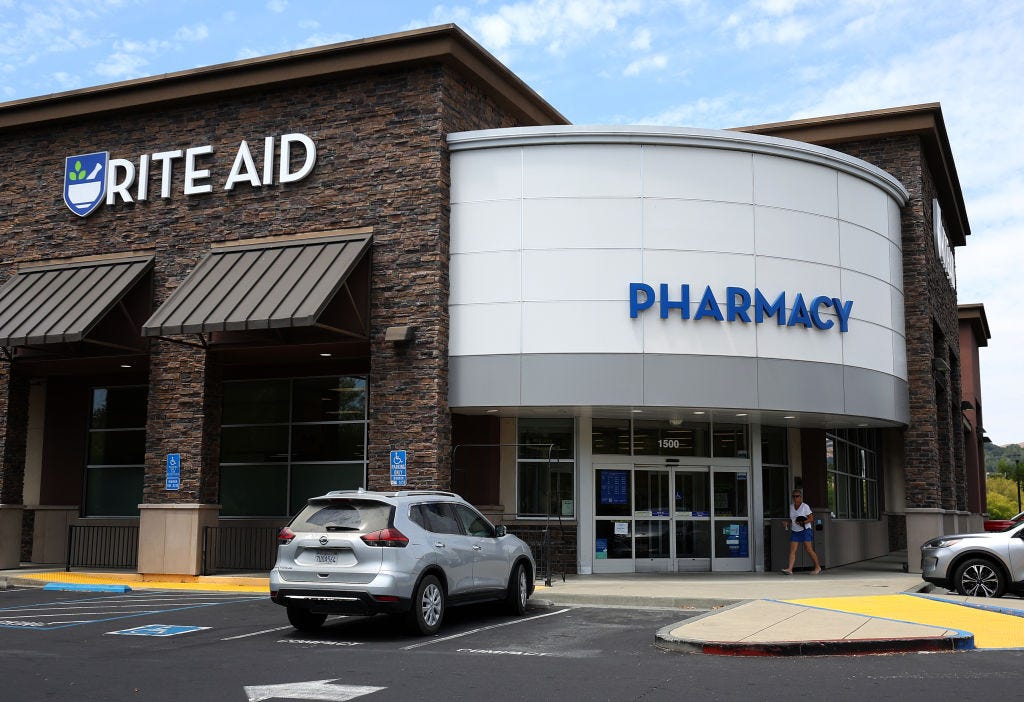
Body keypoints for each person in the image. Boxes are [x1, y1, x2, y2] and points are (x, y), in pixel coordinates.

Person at [781, 489, 821, 575]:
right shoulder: (791, 507)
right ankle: (790, 569)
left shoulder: (805, 506)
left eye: (797, 496)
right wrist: (787, 523)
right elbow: (792, 520)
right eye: (793, 496)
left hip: (805, 530)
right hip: (795, 531)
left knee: (809, 549)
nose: (795, 498)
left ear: (801, 497)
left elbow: (811, 519)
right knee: (792, 550)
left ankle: (818, 567)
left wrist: (803, 522)